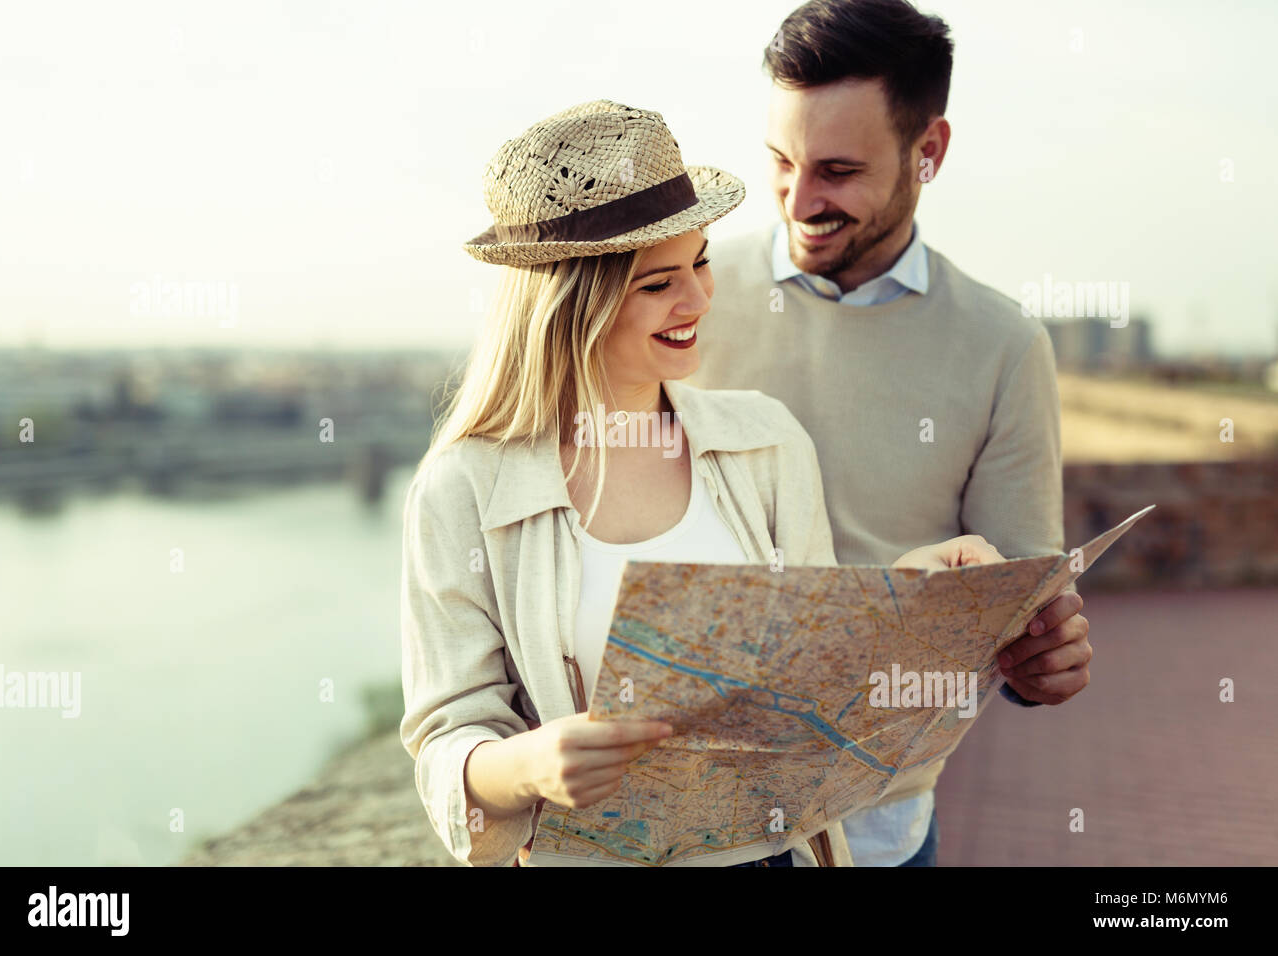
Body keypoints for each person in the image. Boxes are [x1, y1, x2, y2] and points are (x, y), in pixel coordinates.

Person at [399, 98, 1003, 867]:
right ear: (568, 306)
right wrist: (530, 766)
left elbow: (817, 675)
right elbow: (448, 738)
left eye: (701, 262)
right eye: (658, 285)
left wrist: (908, 593)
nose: (698, 301)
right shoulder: (463, 488)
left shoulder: (766, 440)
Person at [683, 0, 1094, 868]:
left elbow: (1015, 593)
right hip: (691, 808)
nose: (800, 199)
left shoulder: (1004, 346)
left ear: (929, 152)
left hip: (877, 827)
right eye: (781, 161)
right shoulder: (688, 298)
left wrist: (1039, 659)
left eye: (836, 170)